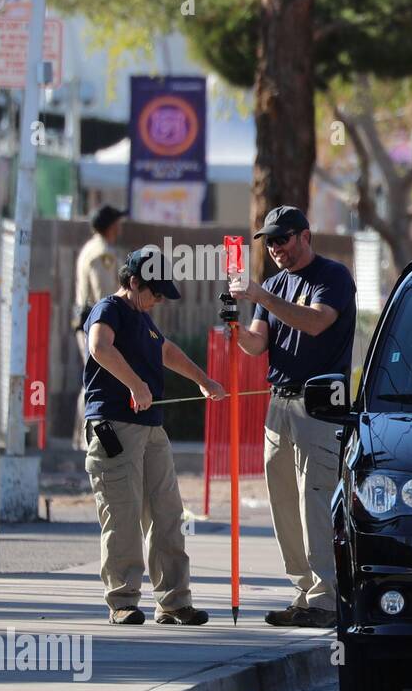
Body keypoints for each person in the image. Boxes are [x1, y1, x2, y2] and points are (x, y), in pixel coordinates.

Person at [229, 206, 357, 628]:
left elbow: (317, 323)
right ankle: (304, 593)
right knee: (283, 502)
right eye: (269, 241)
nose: (276, 249)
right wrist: (234, 323)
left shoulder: (332, 277)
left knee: (315, 499)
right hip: (279, 403)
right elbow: (255, 345)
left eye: (282, 239)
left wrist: (262, 297)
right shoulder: (273, 283)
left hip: (318, 403)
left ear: (305, 236)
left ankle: (326, 596)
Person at [84, 249, 225, 624]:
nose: (159, 300)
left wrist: (204, 380)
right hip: (115, 425)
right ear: (133, 283)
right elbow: (99, 347)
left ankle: (175, 601)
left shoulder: (144, 319)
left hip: (151, 428)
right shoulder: (109, 309)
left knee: (168, 514)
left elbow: (168, 351)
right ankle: (123, 601)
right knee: (123, 513)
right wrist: (135, 384)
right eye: (155, 292)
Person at [72, 205, 126, 449]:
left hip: (87, 320)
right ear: (111, 226)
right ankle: (88, 438)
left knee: (90, 377)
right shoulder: (103, 253)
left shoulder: (89, 248)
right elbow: (104, 294)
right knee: (96, 378)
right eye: (117, 222)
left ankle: (80, 438)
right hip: (97, 323)